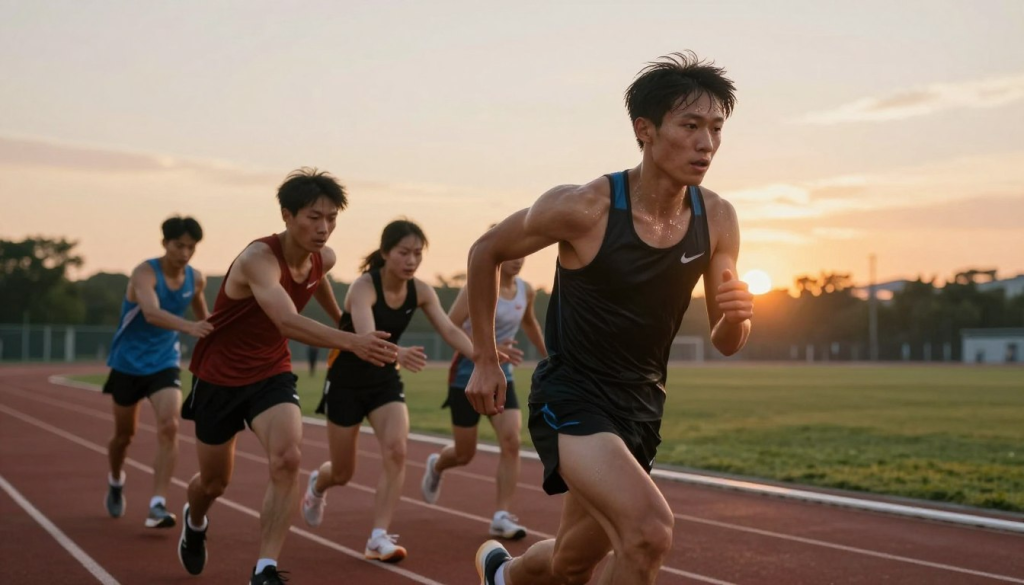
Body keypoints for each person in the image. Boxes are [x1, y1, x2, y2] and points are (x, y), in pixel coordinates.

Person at [465, 52, 754, 585]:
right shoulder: (584, 208)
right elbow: (486, 251)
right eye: (690, 126)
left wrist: (737, 319)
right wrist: (484, 358)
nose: (706, 143)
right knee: (648, 531)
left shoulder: (717, 218)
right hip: (573, 394)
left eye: (716, 129)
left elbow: (727, 339)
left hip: (642, 406)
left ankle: (502, 576)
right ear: (644, 130)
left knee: (572, 562)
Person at [177, 168, 399, 585]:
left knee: (288, 458)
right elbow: (286, 320)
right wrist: (351, 342)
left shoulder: (324, 258)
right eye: (314, 217)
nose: (324, 227)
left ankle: (265, 569)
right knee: (213, 482)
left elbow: (317, 281)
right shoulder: (257, 260)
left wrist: (342, 322)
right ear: (286, 215)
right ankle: (195, 519)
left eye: (332, 218)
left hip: (271, 373)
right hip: (219, 376)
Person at [300, 219, 513, 563]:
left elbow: (448, 329)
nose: (411, 260)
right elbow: (368, 340)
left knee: (397, 450)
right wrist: (398, 353)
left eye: (417, 253)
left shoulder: (422, 291)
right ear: (385, 253)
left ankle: (378, 537)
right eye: (404, 252)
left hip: (384, 381)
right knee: (342, 472)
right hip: (346, 380)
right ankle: (317, 486)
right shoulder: (363, 288)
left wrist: (484, 354)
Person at [420, 254, 546, 540]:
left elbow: (530, 323)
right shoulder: (476, 286)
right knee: (465, 453)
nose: (517, 261)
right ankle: (437, 464)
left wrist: (550, 357)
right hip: (467, 375)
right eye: (509, 255)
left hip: (504, 377)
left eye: (521, 255)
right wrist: (490, 346)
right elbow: (448, 324)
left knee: (511, 441)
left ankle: (501, 516)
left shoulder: (526, 290)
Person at [103, 216, 211, 529]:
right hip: (127, 363)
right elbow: (150, 313)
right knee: (124, 436)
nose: (186, 253)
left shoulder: (196, 279)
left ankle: (157, 504)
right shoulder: (144, 273)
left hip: (164, 363)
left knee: (169, 425)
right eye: (180, 245)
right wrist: (189, 327)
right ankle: (115, 478)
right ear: (165, 243)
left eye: (192, 247)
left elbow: (205, 318)